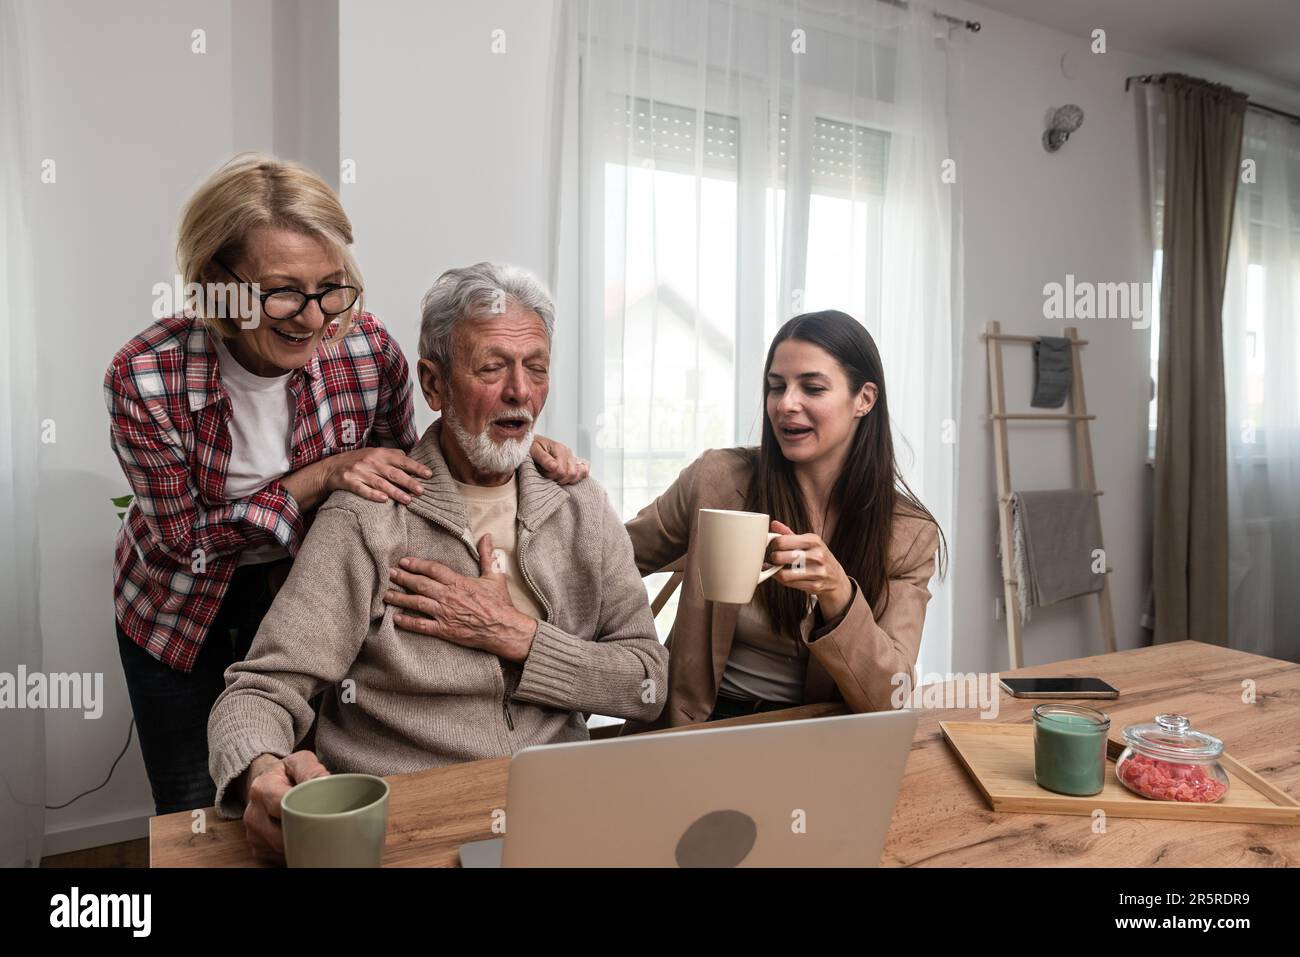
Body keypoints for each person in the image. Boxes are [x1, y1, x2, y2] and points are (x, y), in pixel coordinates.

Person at [105, 155, 586, 815]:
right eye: (283, 291)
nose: (313, 318)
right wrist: (320, 476)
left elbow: (410, 474)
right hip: (180, 612)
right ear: (215, 281)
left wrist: (516, 443)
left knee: (307, 798)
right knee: (201, 809)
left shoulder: (365, 350)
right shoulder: (145, 377)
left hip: (309, 593)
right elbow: (187, 538)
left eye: (332, 287)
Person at [208, 262, 667, 863]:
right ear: (433, 384)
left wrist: (520, 638)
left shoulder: (581, 506)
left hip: (558, 808)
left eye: (536, 368)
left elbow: (647, 684)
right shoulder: (369, 516)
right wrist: (259, 769)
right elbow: (262, 691)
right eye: (492, 368)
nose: (520, 392)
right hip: (408, 815)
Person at [621, 309, 946, 727]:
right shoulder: (717, 479)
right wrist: (556, 478)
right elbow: (612, 561)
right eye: (776, 387)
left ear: (864, 399)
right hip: (697, 729)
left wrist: (837, 593)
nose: (786, 404)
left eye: (811, 387)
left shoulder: (909, 534)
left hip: (816, 739)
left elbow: (889, 697)